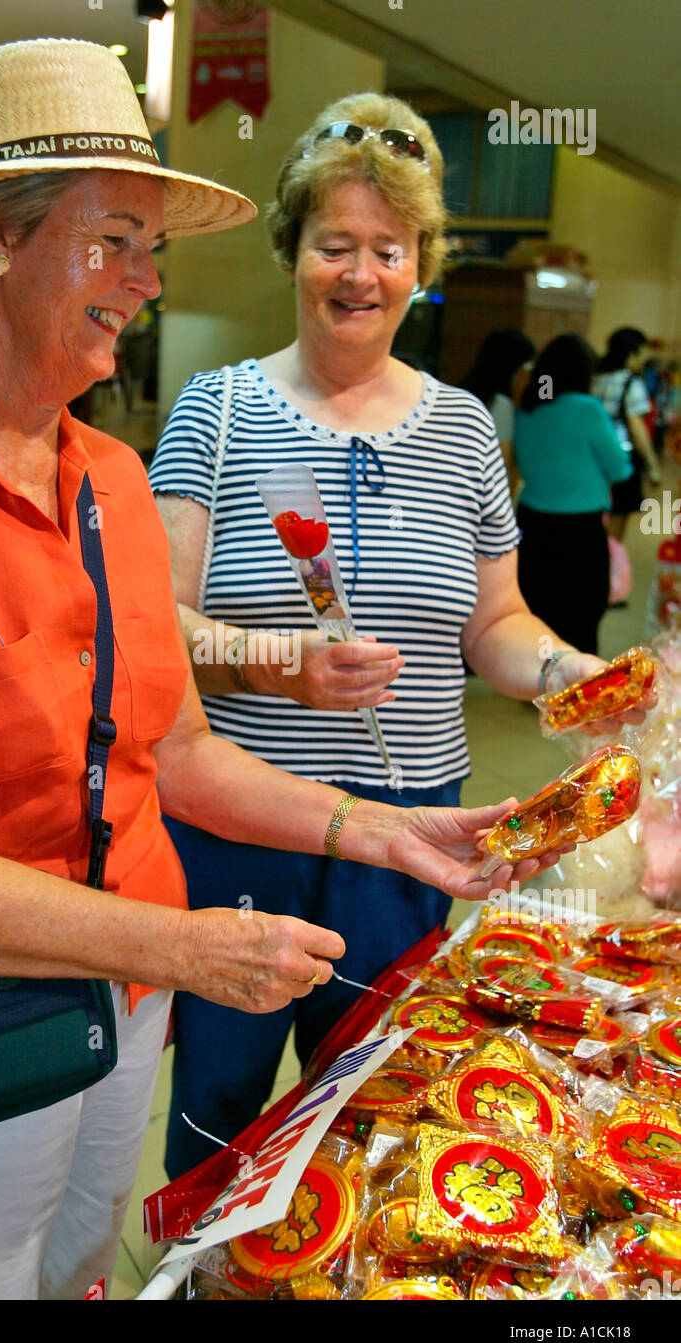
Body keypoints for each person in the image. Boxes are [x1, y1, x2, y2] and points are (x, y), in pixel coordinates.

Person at [0, 38, 560, 1304]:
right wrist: (179, 944)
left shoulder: (107, 473)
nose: (149, 281)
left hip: (126, 1005)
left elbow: (180, 748)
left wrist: (387, 833)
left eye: (152, 247)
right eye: (116, 241)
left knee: (80, 1273)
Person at [149, 94, 623, 1180]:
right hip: (241, 827)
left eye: (385, 248)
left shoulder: (459, 424)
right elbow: (157, 627)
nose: (358, 274)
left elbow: (493, 622)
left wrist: (567, 672)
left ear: (418, 264)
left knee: (379, 1113)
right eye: (332, 246)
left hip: (415, 837)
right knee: (218, 1110)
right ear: (291, 252)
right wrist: (280, 664)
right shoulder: (216, 412)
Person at [514, 334, 632, 654]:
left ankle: (536, 682)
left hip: (533, 524)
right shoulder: (588, 409)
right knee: (581, 612)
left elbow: (523, 465)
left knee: (539, 607)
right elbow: (618, 468)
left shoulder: (526, 408)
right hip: (580, 529)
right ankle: (577, 690)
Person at [593, 327, 662, 540]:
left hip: (594, 456)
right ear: (631, 354)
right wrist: (653, 465)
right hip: (622, 458)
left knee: (595, 512)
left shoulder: (597, 378)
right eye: (640, 353)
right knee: (617, 521)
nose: (642, 360)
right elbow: (637, 429)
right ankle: (611, 566)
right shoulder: (631, 382)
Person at [459, 328, 534, 493]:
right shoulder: (501, 406)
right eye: (527, 365)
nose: (528, 373)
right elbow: (503, 466)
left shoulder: (463, 395)